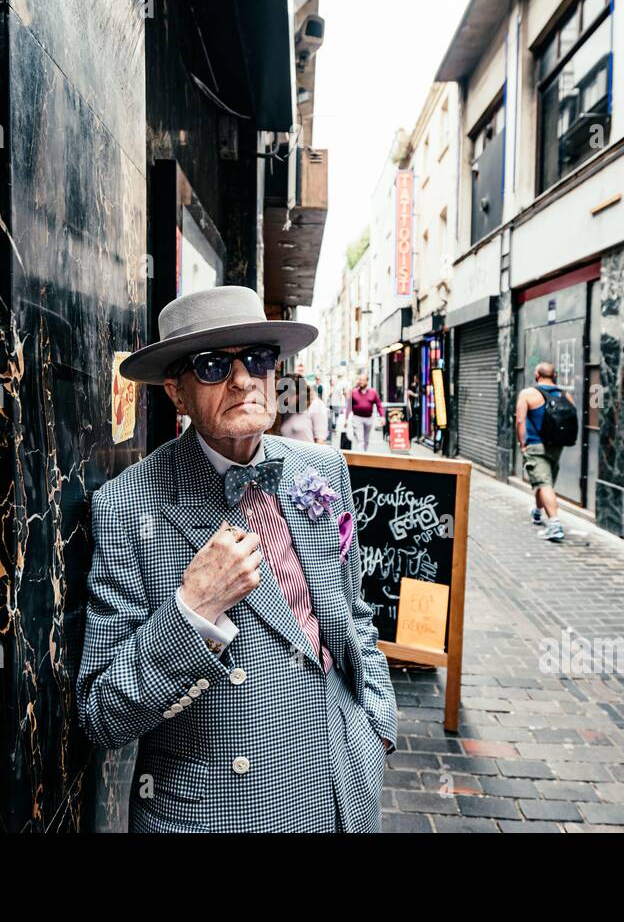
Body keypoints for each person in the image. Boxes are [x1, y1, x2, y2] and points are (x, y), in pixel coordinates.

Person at [76, 286, 397, 833]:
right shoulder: (126, 508)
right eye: (212, 367)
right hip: (220, 808)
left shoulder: (322, 470)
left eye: (258, 359)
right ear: (176, 393)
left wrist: (375, 723)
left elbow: (353, 610)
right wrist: (191, 610)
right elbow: (100, 713)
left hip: (340, 785)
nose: (244, 379)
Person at [515, 363, 575, 543]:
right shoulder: (566, 395)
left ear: (536, 375)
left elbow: (520, 420)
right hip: (556, 446)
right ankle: (537, 511)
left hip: (535, 445)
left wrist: (522, 442)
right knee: (544, 482)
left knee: (543, 483)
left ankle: (555, 525)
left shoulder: (528, 394)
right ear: (554, 375)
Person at [280, 376, 329, 445]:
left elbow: (320, 441)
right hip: (285, 455)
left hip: (308, 454)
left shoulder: (316, 405)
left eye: (291, 394)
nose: (286, 399)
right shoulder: (286, 408)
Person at [347, 373, 384, 452]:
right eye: (360, 380)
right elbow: (349, 406)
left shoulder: (373, 392)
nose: (361, 381)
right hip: (357, 418)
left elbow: (379, 405)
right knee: (360, 440)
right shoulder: (354, 392)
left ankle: (364, 454)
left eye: (363, 380)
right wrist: (346, 419)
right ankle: (361, 456)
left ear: (367, 381)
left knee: (366, 440)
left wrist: (382, 416)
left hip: (369, 419)